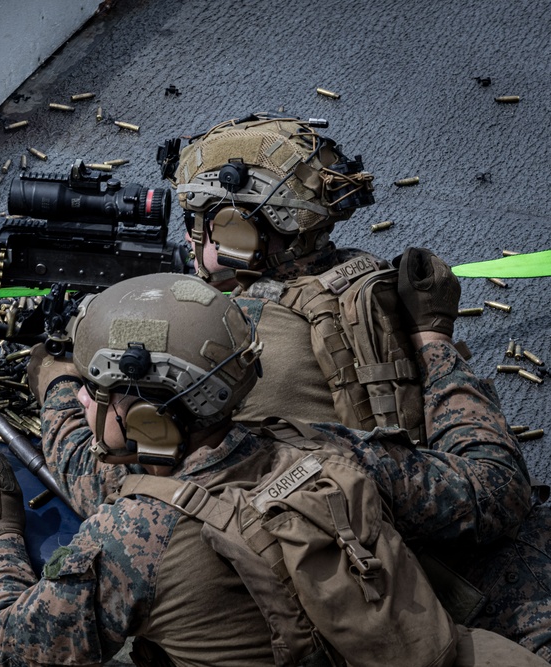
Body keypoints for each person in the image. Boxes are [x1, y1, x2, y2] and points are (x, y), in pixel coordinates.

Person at [0, 268, 538, 666]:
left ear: (145, 417)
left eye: (95, 392)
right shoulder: (328, 447)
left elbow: (8, 647)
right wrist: (433, 339)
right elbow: (494, 492)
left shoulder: (131, 540)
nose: (86, 403)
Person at [170, 113, 551, 660]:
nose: (190, 236)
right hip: (489, 544)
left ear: (240, 230)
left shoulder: (230, 344)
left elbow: (494, 491)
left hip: (430, 599)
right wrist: (435, 340)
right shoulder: (364, 279)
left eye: (200, 220)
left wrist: (62, 379)